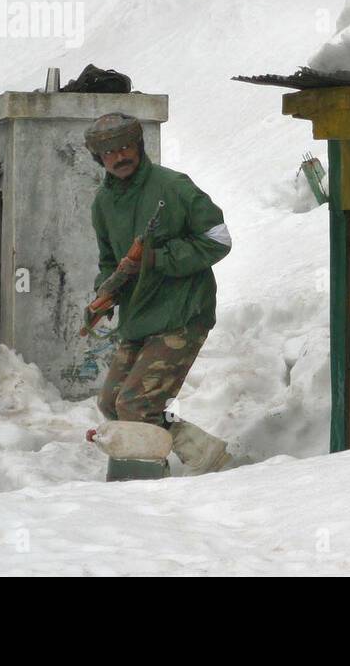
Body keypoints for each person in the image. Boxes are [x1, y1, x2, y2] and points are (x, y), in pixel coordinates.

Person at [84, 112, 233, 480]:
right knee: (112, 403)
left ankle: (146, 478)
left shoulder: (174, 187)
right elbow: (108, 261)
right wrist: (106, 293)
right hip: (138, 317)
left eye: (125, 147)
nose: (119, 156)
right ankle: (202, 450)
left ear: (138, 145)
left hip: (182, 312)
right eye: (109, 152)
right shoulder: (103, 204)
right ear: (99, 159)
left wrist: (157, 258)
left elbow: (218, 240)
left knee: (135, 403)